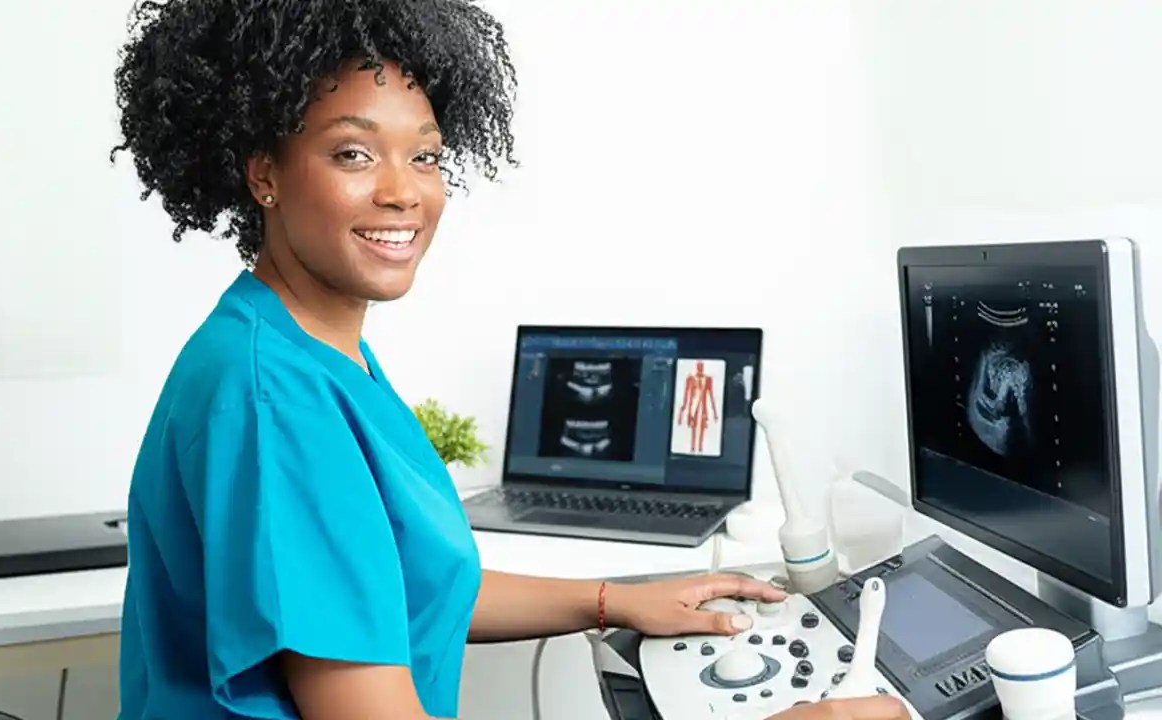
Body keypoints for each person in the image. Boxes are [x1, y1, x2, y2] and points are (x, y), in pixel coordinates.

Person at [109, 2, 913, 719]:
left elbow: (401, 589)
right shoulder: (277, 398)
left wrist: (614, 601)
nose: (404, 192)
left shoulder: (302, 346)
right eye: (353, 154)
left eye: (424, 157)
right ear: (264, 174)